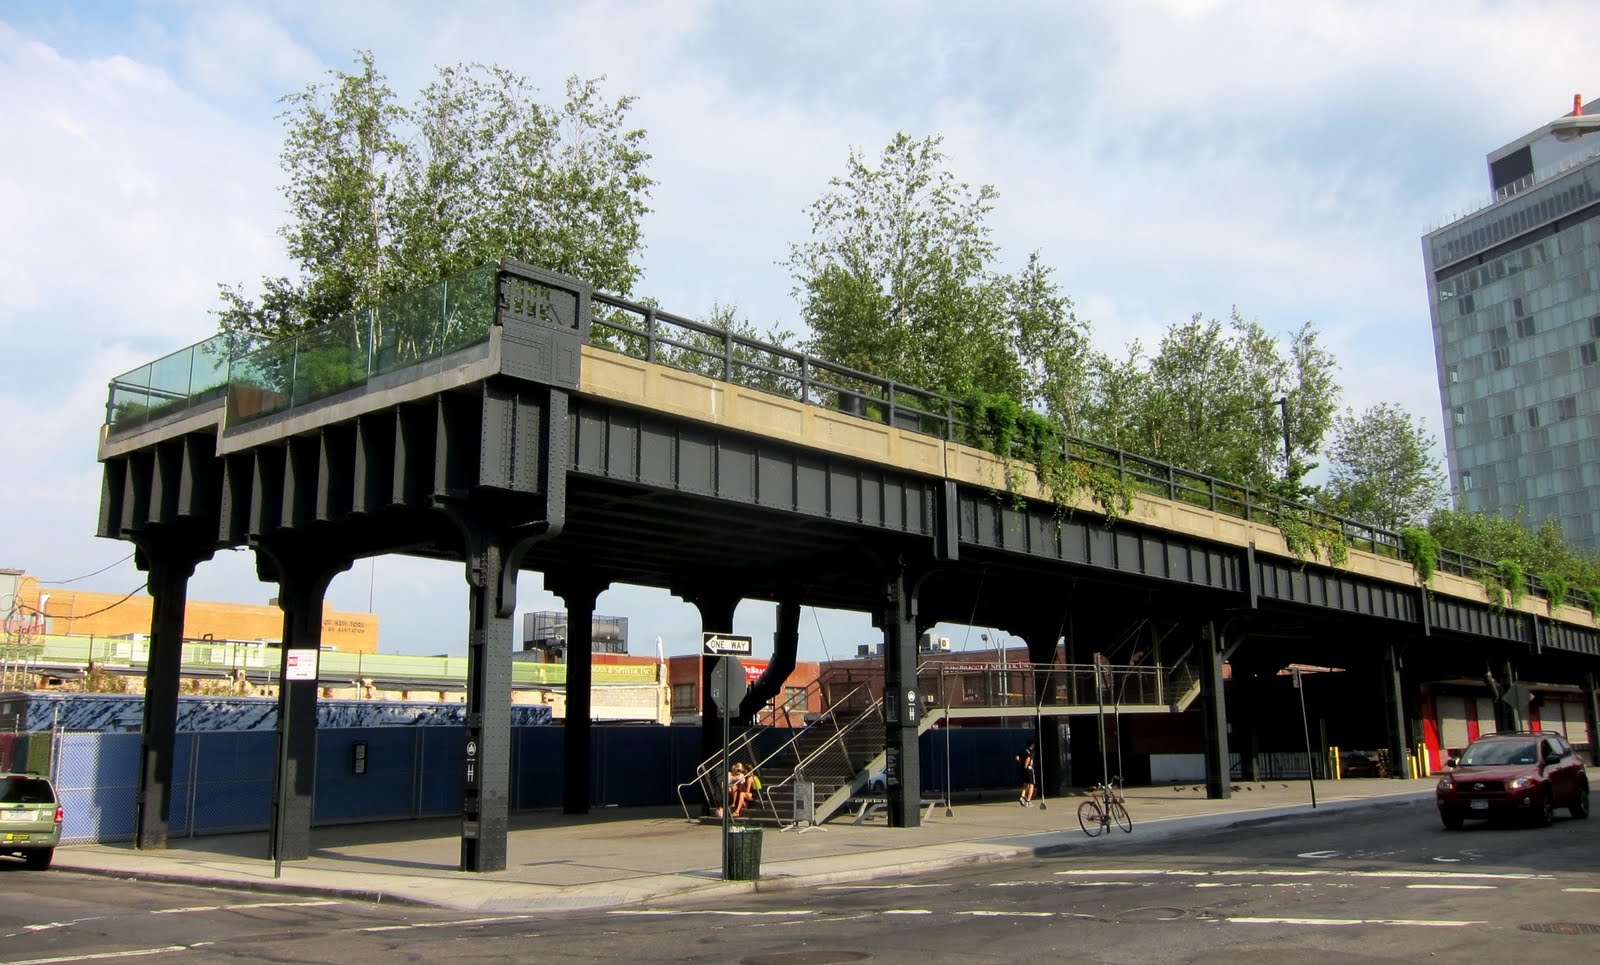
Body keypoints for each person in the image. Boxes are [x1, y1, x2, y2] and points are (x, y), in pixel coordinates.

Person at [1016, 738, 1037, 807]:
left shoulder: (1023, 750)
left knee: (1026, 784)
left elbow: (1017, 757)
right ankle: (1028, 801)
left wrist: (1020, 763)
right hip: (1029, 769)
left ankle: (1022, 797)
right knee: (1031, 785)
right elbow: (1028, 758)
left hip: (1023, 769)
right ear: (1032, 744)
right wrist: (1026, 766)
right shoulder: (1031, 751)